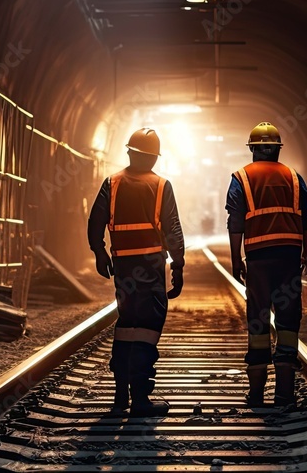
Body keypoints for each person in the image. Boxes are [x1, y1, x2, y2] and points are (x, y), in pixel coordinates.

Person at [87, 127, 185, 416]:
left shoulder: (112, 182)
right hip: (152, 267)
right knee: (147, 326)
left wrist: (99, 252)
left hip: (124, 269)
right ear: (154, 157)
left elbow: (96, 220)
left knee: (127, 324)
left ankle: (120, 398)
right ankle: (140, 398)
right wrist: (178, 265)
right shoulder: (161, 185)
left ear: (129, 152)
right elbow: (173, 229)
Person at [226, 122, 307, 407]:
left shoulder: (241, 177)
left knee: (258, 318)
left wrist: (234, 258)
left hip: (258, 259)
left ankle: (255, 394)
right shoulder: (293, 176)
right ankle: (285, 395)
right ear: (277, 150)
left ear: (252, 149)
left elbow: (235, 221)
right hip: (289, 257)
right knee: (288, 321)